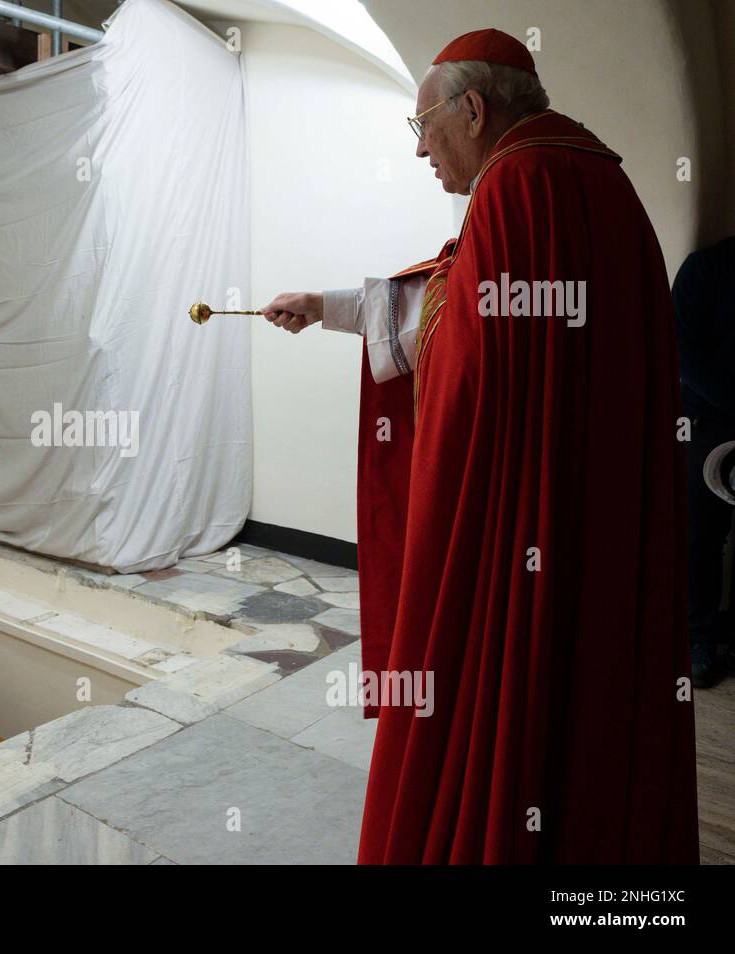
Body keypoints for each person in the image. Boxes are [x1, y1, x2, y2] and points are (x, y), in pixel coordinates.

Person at [264, 29, 699, 863]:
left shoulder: (515, 186)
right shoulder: (597, 178)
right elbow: (458, 304)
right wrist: (325, 305)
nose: (422, 147)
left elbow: (466, 365)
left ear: (472, 109)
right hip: (597, 508)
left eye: (423, 125)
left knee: (509, 699)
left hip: (516, 530)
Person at [673, 237, 735, 687]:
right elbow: (681, 352)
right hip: (707, 421)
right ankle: (698, 636)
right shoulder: (705, 268)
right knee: (700, 535)